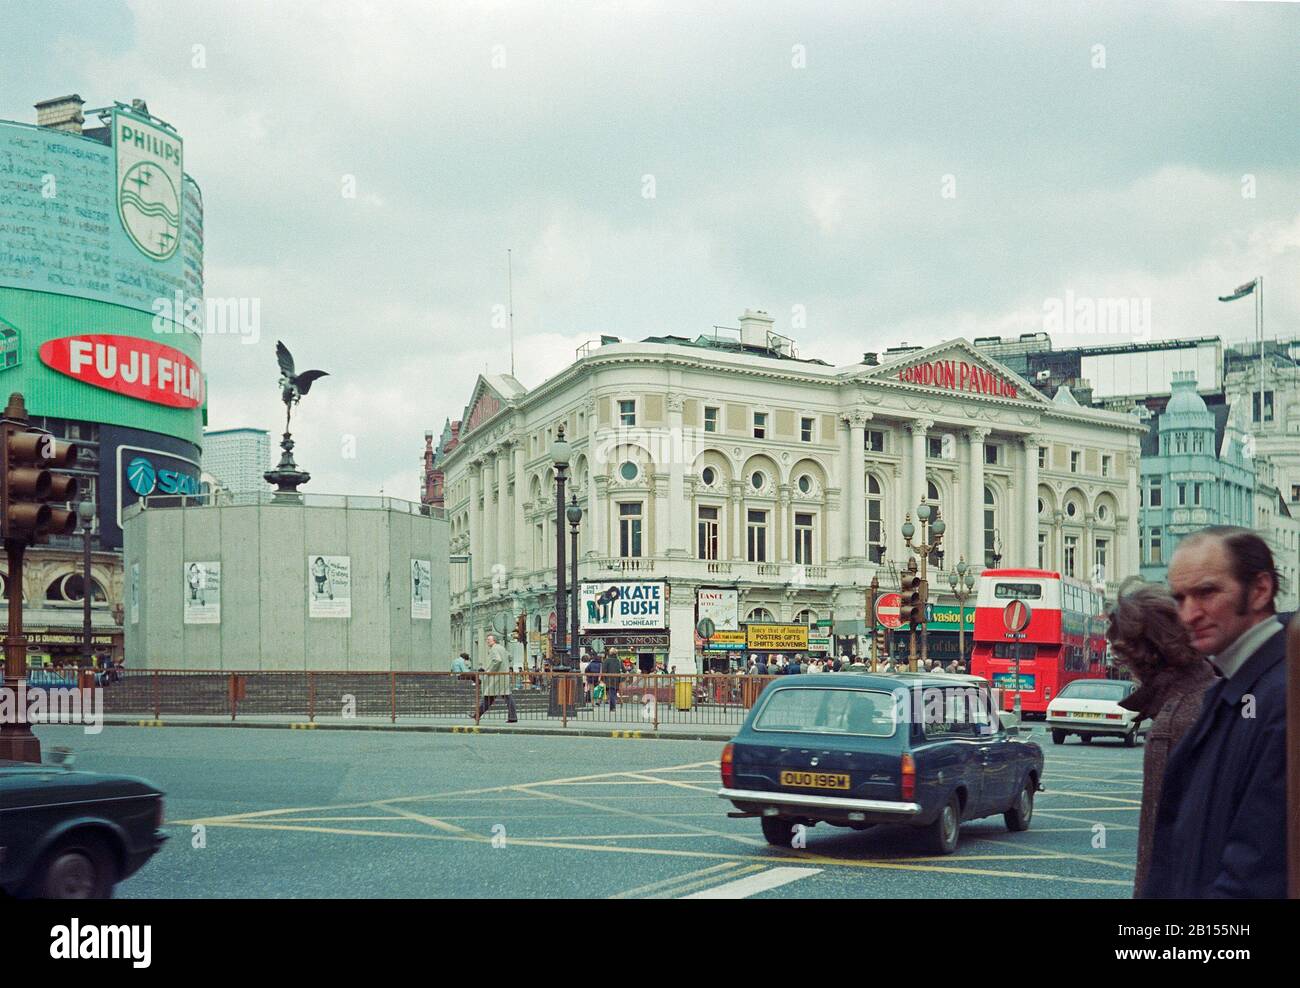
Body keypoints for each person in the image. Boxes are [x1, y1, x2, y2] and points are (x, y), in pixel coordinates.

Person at [1142, 527, 1289, 899]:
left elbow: (1257, 870)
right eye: (1179, 598)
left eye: (1206, 592)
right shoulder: (1229, 686)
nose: (1189, 614)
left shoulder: (1283, 697)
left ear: (1260, 590)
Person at [1105, 580, 1216, 897]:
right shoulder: (1216, 693)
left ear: (1144, 654)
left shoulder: (1172, 723)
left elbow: (1159, 844)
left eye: (1123, 653)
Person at [477, 633, 517, 722]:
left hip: (496, 678)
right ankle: (513, 717)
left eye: (489, 640)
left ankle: (477, 714)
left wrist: (489, 671)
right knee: (506, 697)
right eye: (487, 639)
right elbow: (510, 657)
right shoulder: (501, 648)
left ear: (494, 640)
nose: (487, 641)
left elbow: (498, 660)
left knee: (488, 696)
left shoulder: (494, 649)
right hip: (503, 676)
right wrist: (506, 665)